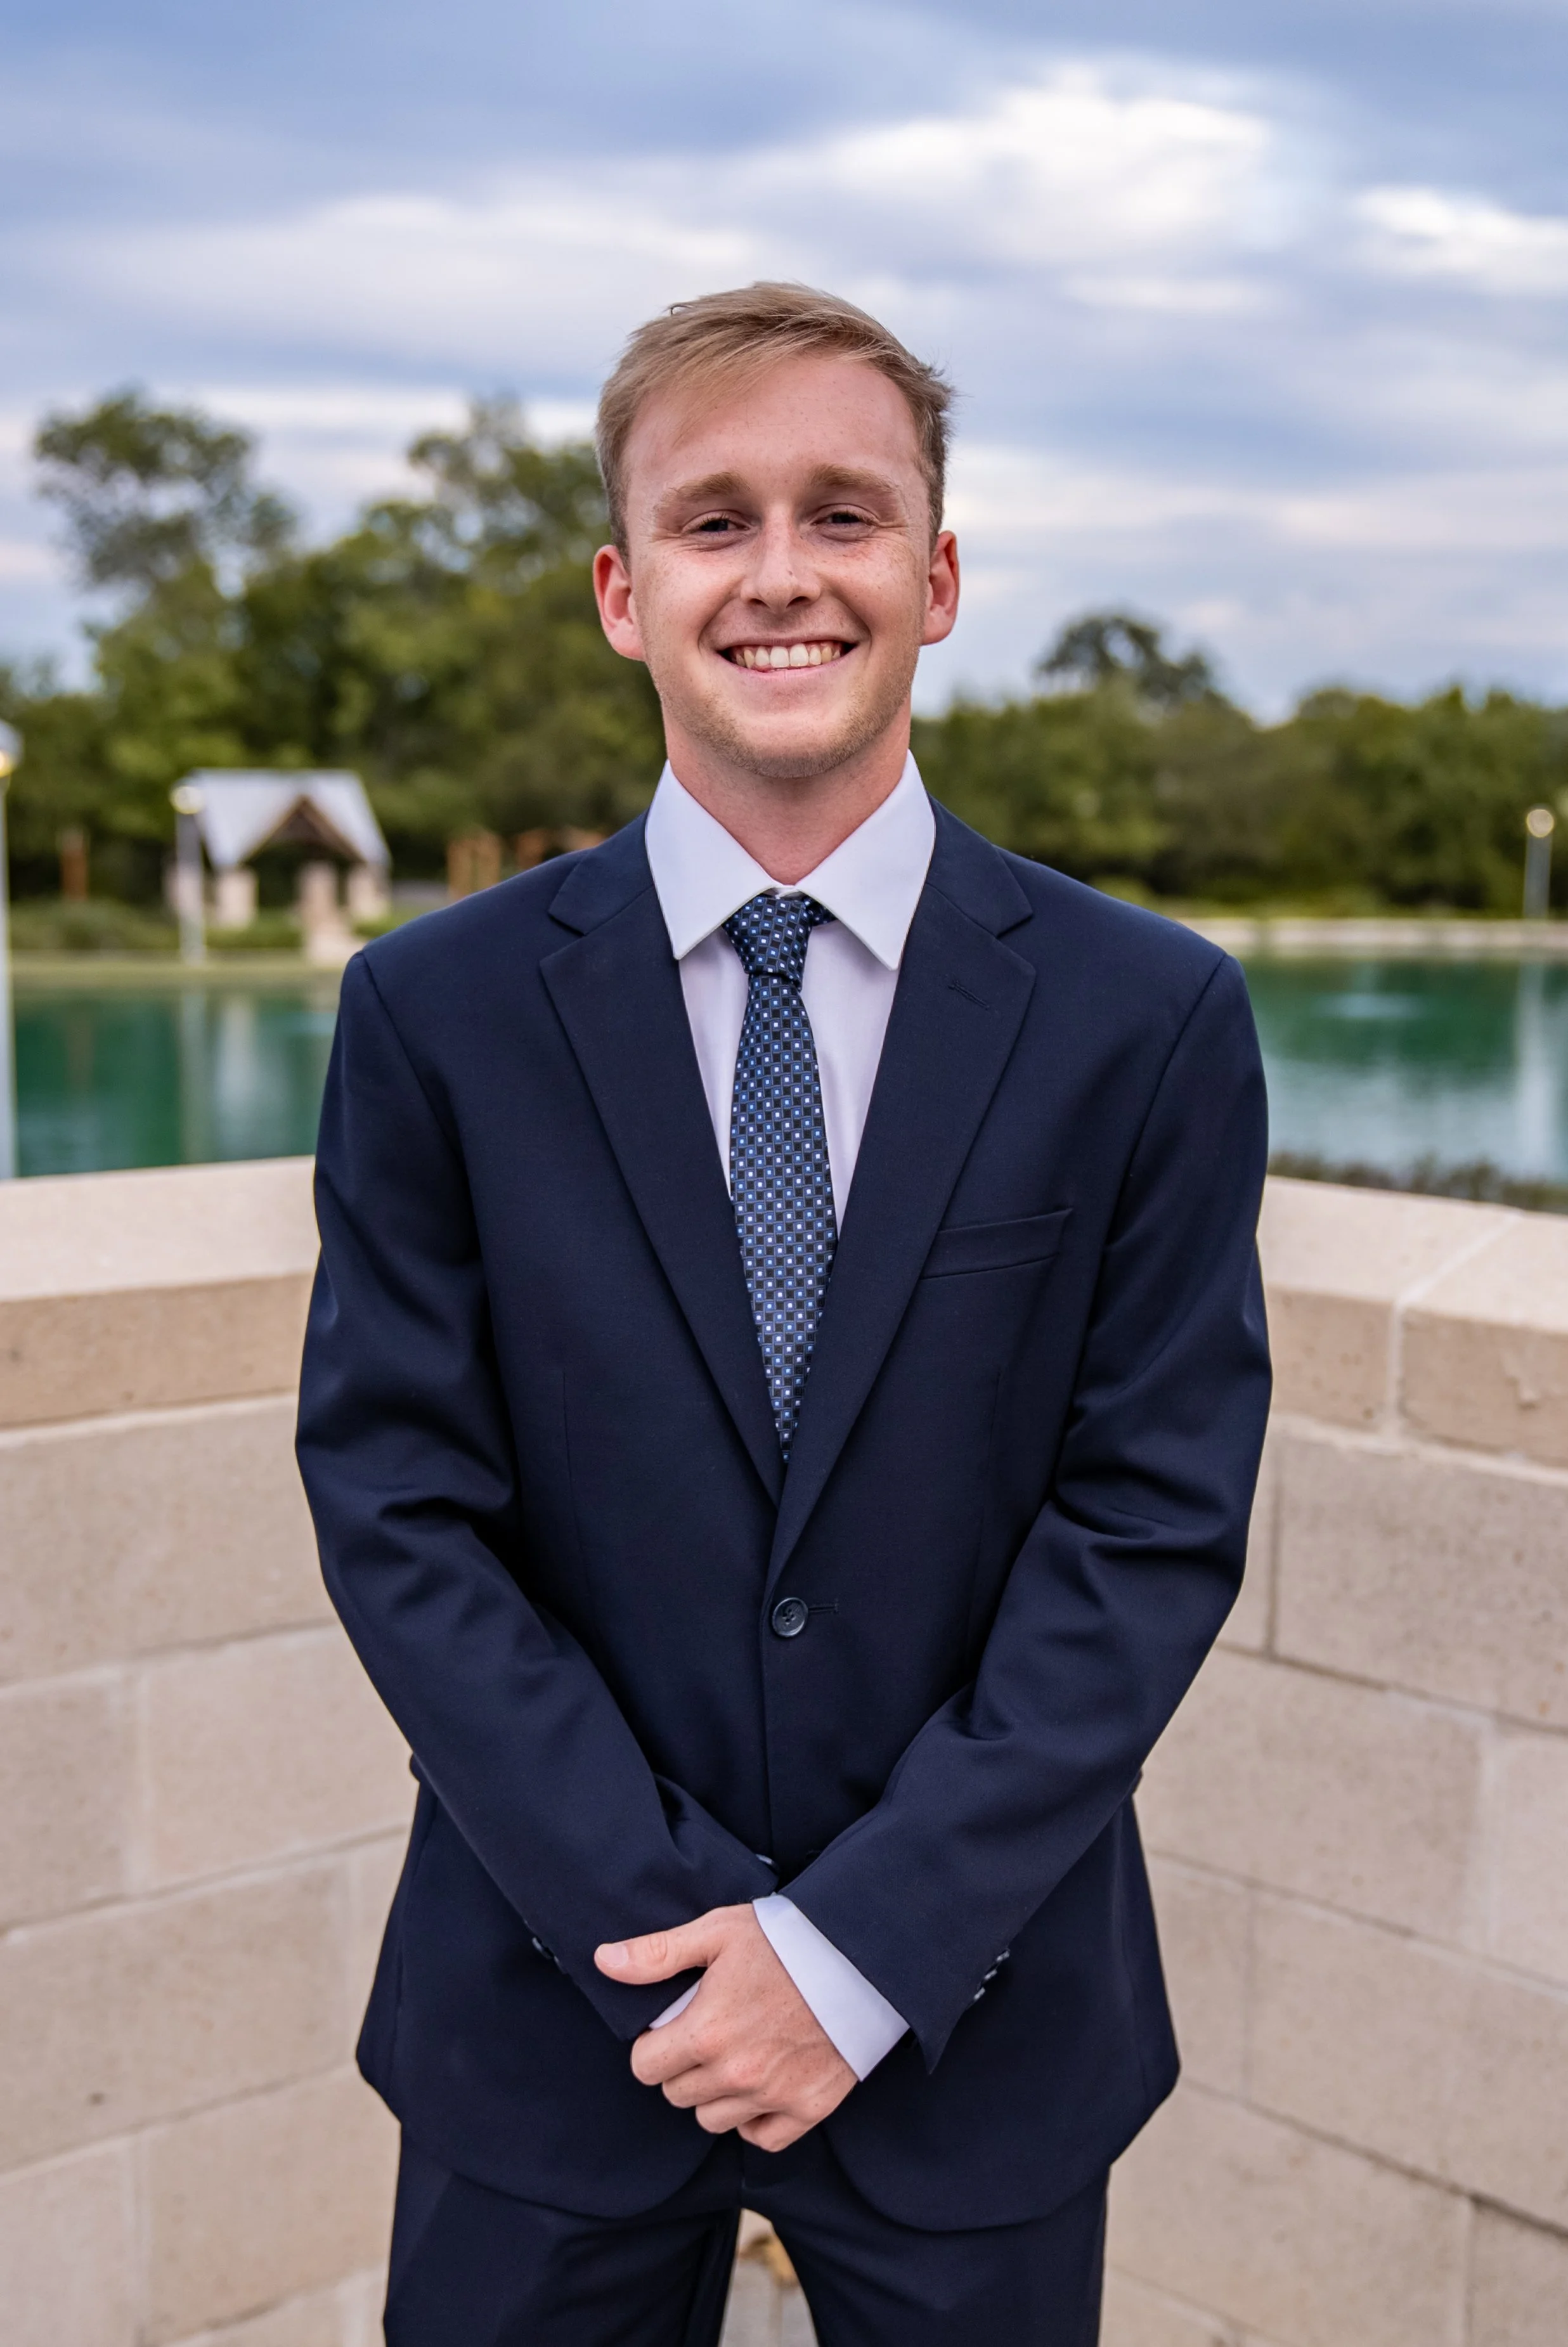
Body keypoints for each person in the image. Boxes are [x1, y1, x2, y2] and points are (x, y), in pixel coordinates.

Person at [296, 281, 1271, 2347]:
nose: (781, 573)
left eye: (843, 512)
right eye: (713, 518)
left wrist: (855, 1954)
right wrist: (683, 1942)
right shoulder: (433, 1015)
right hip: (553, 2018)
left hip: (976, 2021)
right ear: (622, 591)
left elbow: (1150, 1520)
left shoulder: (1151, 1018)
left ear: (937, 577)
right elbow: (400, 1508)